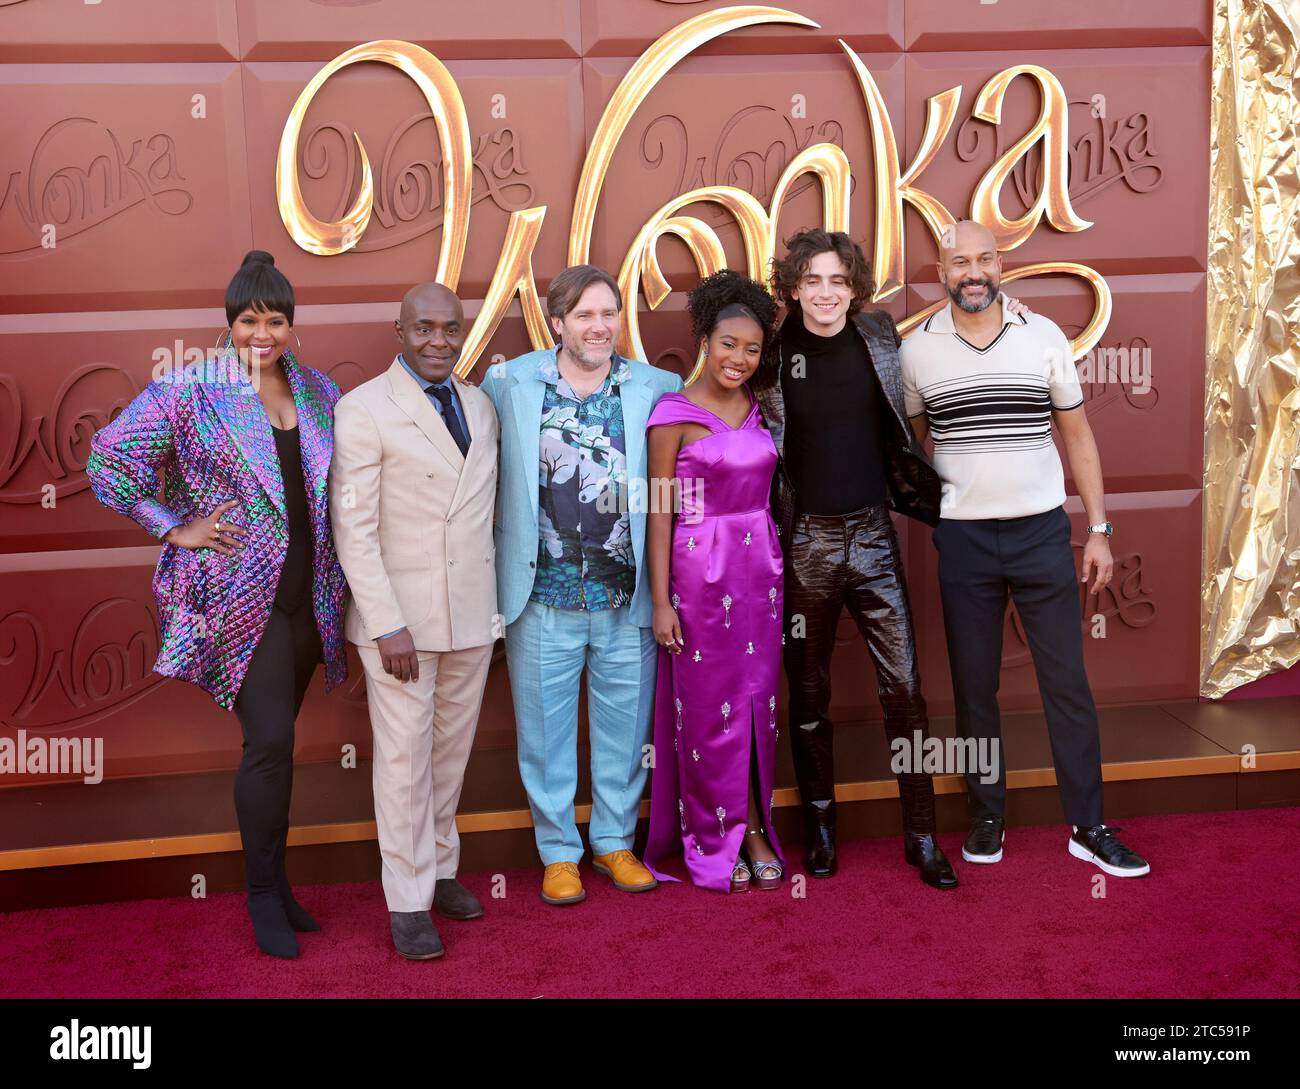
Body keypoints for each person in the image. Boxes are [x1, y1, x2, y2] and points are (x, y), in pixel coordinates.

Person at [86, 250, 350, 958]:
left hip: (307, 599)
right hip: (238, 601)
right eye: (247, 320)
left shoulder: (318, 391)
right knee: (268, 743)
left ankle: (280, 882)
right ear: (228, 324)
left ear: (292, 325)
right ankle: (261, 894)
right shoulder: (192, 389)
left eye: (275, 320)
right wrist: (174, 525)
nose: (261, 334)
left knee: (280, 744)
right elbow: (107, 461)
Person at [900, 219, 1149, 877]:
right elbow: (911, 450)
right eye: (960, 262)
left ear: (999, 264)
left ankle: (1088, 825)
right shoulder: (917, 352)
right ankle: (987, 815)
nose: (973, 271)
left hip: (1041, 531)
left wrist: (1099, 529)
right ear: (941, 271)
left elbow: (1079, 436)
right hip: (964, 542)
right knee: (974, 687)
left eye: (985, 259)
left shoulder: (1042, 336)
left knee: (1067, 681)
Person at [754, 228, 963, 889]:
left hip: (873, 534)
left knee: (905, 690)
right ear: (792, 286)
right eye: (812, 280)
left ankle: (922, 834)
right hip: (804, 541)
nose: (825, 293)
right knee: (809, 693)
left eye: (838, 280)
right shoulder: (771, 354)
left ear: (855, 289)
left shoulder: (879, 336)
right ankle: (820, 828)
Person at [479, 265, 682, 905]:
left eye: (609, 313)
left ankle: (615, 844)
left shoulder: (656, 386)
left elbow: (673, 490)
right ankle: (559, 852)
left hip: (629, 597)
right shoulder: (509, 383)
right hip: (541, 596)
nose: (600, 327)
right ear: (557, 323)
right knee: (544, 734)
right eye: (585, 315)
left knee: (626, 732)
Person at [330, 282, 501, 960]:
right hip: (399, 625)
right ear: (399, 331)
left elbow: (485, 516)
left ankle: (438, 868)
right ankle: (406, 900)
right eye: (423, 328)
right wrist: (384, 623)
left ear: (463, 331)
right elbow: (354, 527)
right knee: (403, 761)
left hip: (470, 617)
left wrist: (495, 617)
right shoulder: (364, 408)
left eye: (449, 328)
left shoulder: (480, 405)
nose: (438, 341)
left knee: (449, 756)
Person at [643, 270, 786, 893]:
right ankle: (716, 835)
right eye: (729, 343)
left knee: (758, 704)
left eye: (752, 349)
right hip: (698, 576)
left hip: (762, 576)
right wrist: (660, 602)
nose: (739, 358)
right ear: (705, 339)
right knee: (707, 713)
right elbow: (658, 509)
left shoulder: (762, 406)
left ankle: (755, 825)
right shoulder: (673, 413)